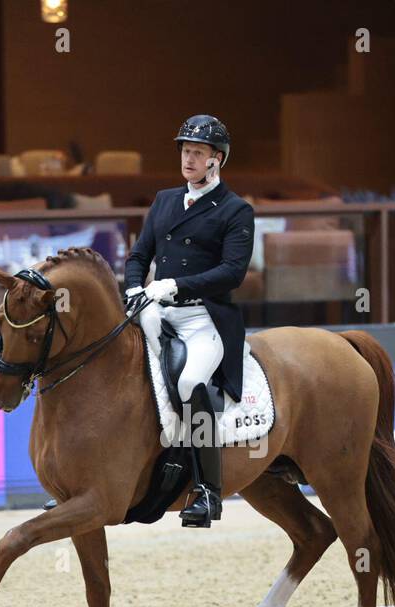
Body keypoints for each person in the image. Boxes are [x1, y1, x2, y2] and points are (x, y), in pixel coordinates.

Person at [124, 114, 255, 527]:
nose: (189, 158)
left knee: (189, 383)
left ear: (217, 160)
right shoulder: (164, 200)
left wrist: (176, 285)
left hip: (203, 318)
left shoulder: (236, 210)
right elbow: (139, 254)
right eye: (185, 151)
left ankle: (207, 491)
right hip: (157, 311)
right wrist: (133, 287)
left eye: (198, 153)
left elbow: (233, 272)